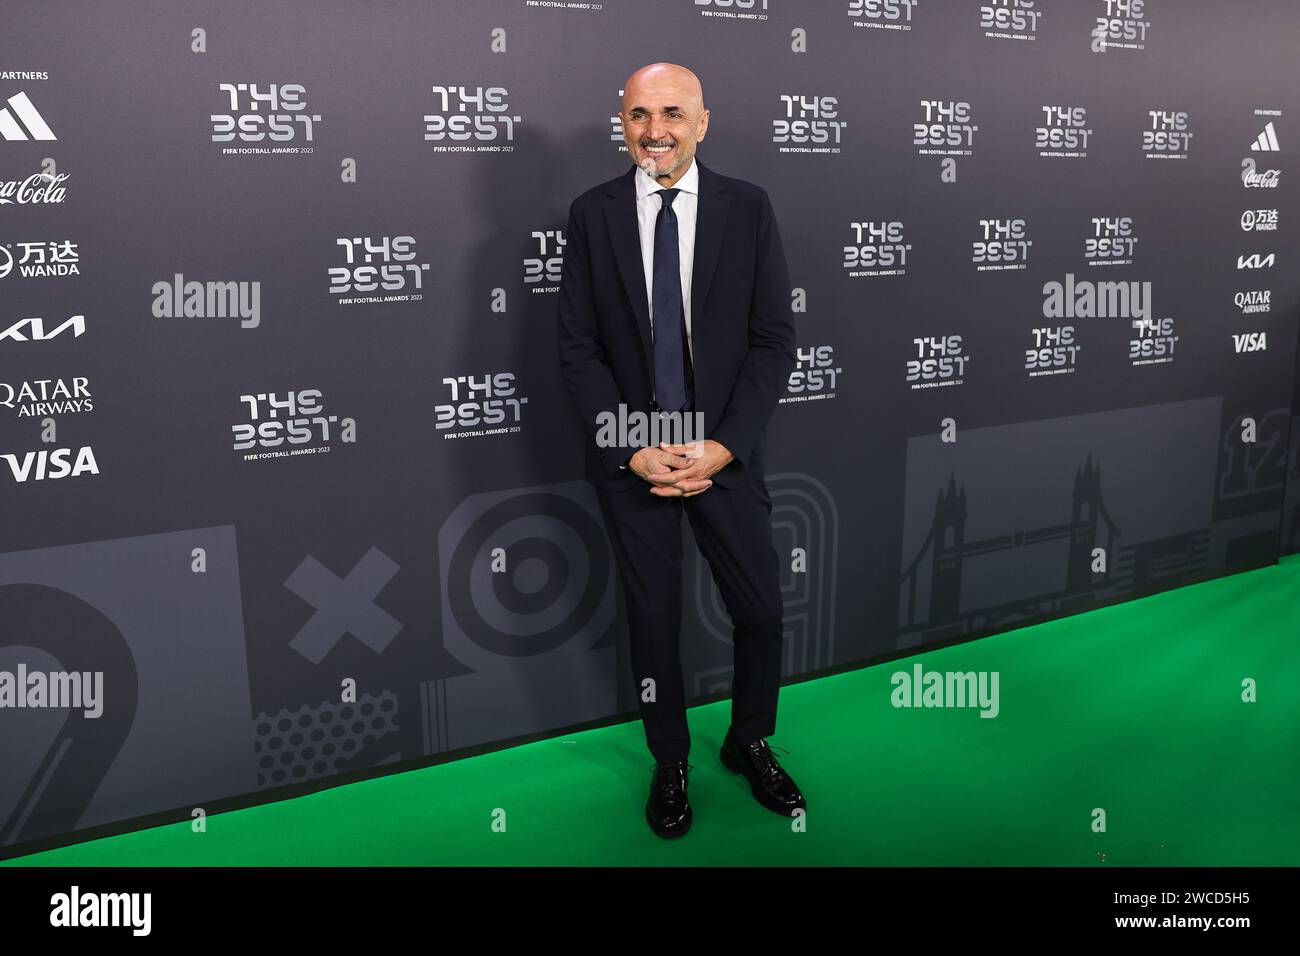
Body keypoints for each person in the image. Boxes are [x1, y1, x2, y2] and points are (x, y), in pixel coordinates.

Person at [556, 62, 805, 838]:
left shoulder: (749, 208)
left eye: (671, 113)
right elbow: (578, 347)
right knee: (653, 620)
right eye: (638, 114)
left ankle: (748, 739)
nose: (653, 130)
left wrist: (725, 446)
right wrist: (633, 449)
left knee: (760, 612)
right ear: (621, 122)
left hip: (723, 448)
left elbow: (772, 341)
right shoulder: (592, 214)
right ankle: (670, 760)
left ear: (703, 122)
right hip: (638, 454)